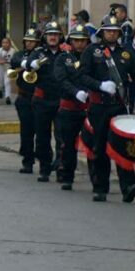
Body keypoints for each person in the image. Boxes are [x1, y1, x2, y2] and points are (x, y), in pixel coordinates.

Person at [77, 14, 135, 203]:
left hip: (119, 107)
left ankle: (128, 187)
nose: (112, 34)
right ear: (102, 32)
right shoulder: (92, 51)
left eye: (115, 31)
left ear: (119, 33)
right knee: (99, 148)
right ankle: (100, 187)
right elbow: (82, 76)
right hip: (98, 107)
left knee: (124, 147)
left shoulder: (126, 53)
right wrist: (100, 85)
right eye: (108, 31)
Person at [53, 25, 92, 191]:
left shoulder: (93, 58)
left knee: (93, 145)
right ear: (70, 41)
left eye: (83, 40)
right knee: (68, 145)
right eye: (76, 40)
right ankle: (67, 176)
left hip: (89, 108)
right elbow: (61, 79)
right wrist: (76, 92)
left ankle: (97, 180)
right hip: (69, 108)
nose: (80, 44)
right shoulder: (63, 59)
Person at [26, 21, 65, 182]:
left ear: (60, 37)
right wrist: (32, 64)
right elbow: (28, 64)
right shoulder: (38, 52)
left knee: (62, 136)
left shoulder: (65, 54)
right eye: (50, 35)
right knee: (42, 136)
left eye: (55, 34)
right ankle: (44, 167)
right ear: (45, 37)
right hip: (42, 100)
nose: (53, 37)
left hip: (61, 100)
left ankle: (62, 167)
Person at [11, 28, 41, 174]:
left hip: (40, 98)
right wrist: (26, 63)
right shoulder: (19, 55)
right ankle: (27, 161)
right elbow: (13, 60)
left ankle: (44, 159)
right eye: (27, 41)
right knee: (26, 131)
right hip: (25, 97)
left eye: (33, 41)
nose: (30, 44)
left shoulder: (42, 55)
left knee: (41, 131)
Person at [0, 37, 15, 104]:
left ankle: (7, 97)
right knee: (0, 81)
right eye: (3, 42)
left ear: (9, 43)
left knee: (7, 82)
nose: (4, 44)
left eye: (6, 42)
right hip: (0, 67)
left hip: (8, 67)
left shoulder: (13, 51)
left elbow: (14, 60)